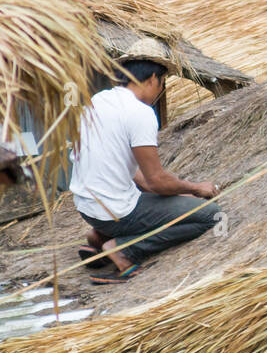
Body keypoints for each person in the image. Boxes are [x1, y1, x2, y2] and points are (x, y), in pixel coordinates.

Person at [70, 41, 221, 284]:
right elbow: (157, 180)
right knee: (210, 214)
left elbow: (134, 175)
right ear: (152, 78)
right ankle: (122, 250)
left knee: (173, 203)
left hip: (88, 208)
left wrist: (180, 198)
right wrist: (195, 188)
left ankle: (98, 237)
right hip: (116, 212)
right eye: (162, 83)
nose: (159, 90)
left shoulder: (98, 101)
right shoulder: (140, 113)